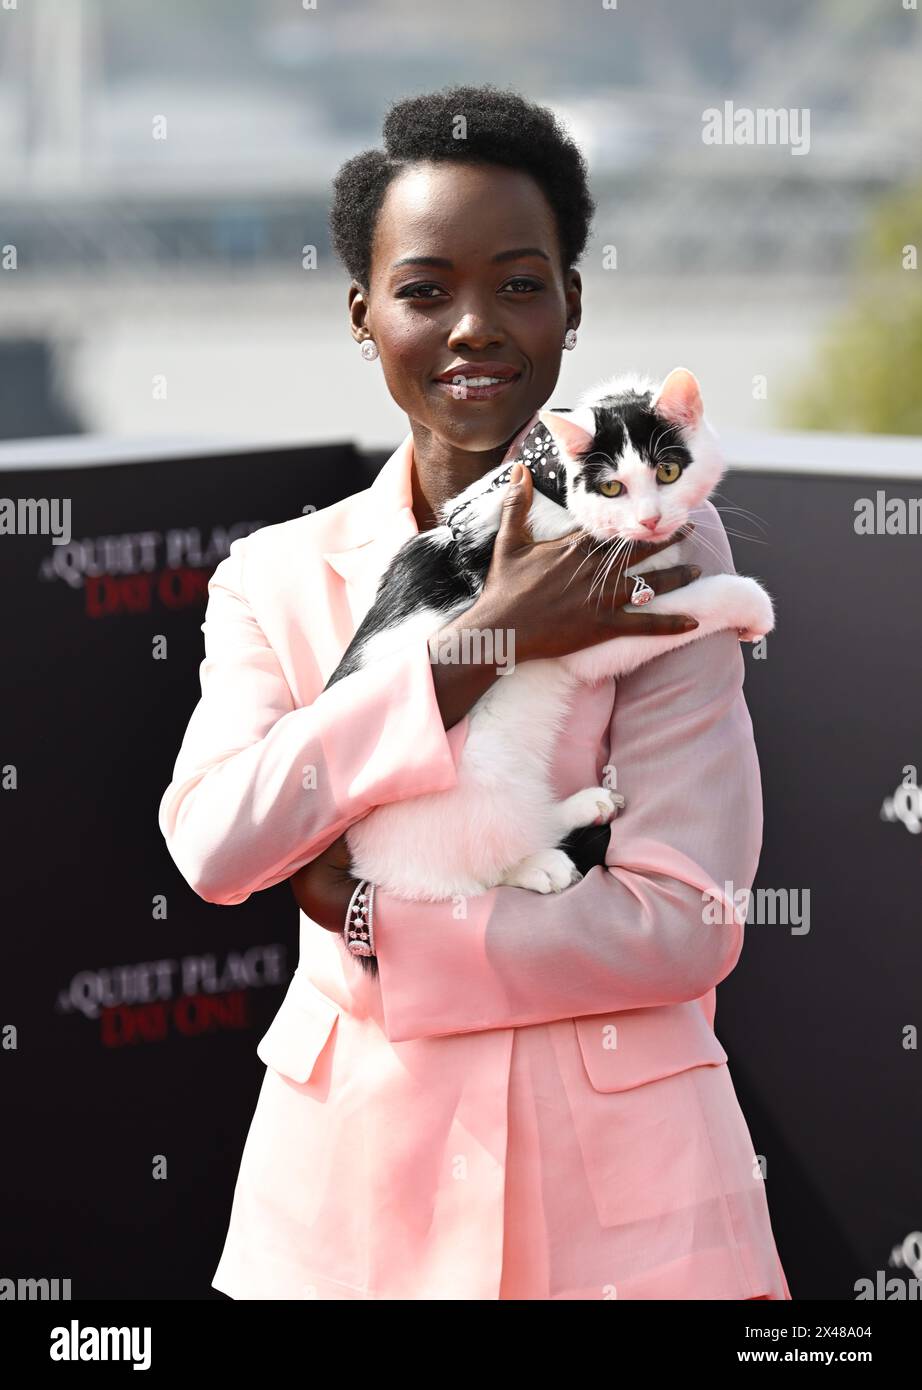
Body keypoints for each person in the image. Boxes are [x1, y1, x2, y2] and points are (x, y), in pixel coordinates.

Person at [158, 84, 791, 1301]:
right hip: (347, 1209)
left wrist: (373, 925)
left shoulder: (666, 545)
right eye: (423, 289)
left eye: (518, 283)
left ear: (572, 304)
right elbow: (217, 845)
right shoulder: (273, 575)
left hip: (626, 1215)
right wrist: (478, 648)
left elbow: (684, 919)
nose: (474, 328)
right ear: (362, 313)